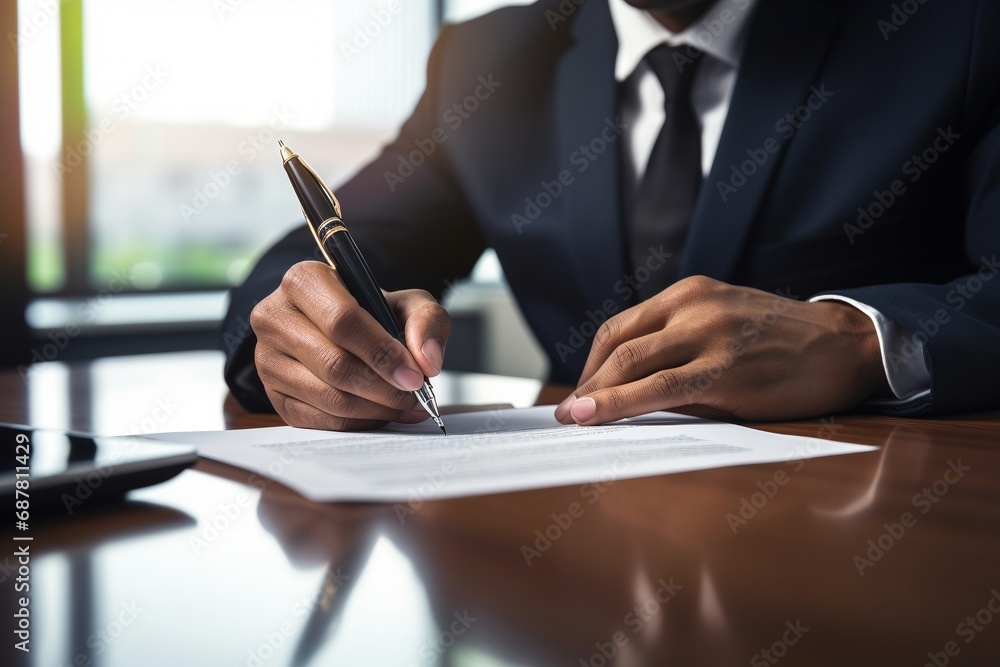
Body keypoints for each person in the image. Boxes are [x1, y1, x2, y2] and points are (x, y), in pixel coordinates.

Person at [222, 0, 1000, 431]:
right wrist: (300, 331)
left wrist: (858, 343)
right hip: (571, 546)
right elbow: (333, 248)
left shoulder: (956, 27)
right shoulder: (487, 63)